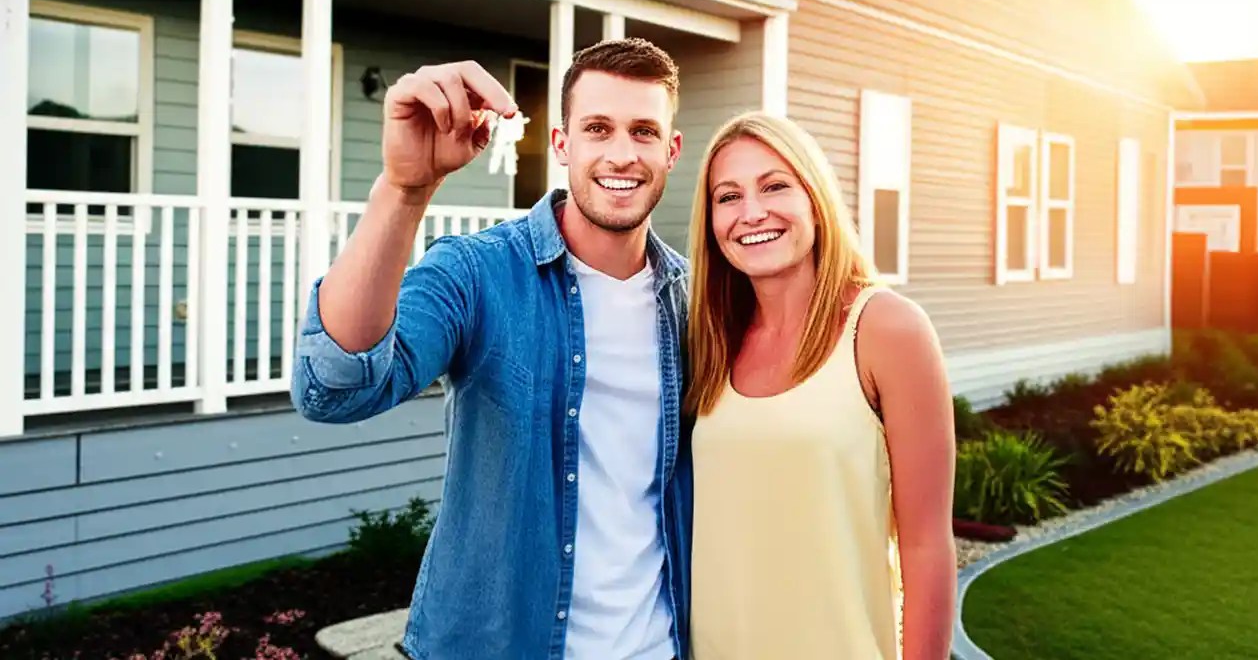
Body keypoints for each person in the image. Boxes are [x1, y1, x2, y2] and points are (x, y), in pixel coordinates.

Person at [290, 38, 694, 660]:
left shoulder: (697, 303)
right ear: (562, 145)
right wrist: (404, 190)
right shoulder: (478, 274)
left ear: (670, 150)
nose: (621, 153)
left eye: (643, 131)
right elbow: (335, 387)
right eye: (597, 128)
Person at [683, 111, 957, 659]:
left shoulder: (885, 328)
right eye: (728, 196)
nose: (751, 212)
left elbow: (926, 546)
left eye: (775, 186)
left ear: (815, 198)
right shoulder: (710, 340)